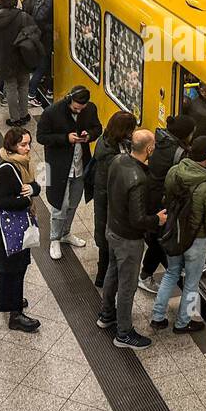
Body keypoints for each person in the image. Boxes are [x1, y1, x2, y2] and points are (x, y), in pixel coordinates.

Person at [99, 128, 167, 350]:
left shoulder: (118, 161)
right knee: (127, 286)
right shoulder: (139, 179)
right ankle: (124, 333)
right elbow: (138, 219)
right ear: (148, 148)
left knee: (112, 271)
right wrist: (156, 220)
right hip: (129, 239)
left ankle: (106, 314)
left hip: (112, 228)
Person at [151, 134, 206, 333]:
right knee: (192, 282)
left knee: (171, 273)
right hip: (196, 240)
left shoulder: (174, 171)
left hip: (174, 232)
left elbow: (167, 196)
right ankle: (184, 322)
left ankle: (157, 316)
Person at [38, 85, 103, 261]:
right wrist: (65, 138)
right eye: (76, 108)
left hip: (80, 165)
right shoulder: (51, 112)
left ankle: (65, 233)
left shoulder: (89, 109)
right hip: (58, 166)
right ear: (69, 100)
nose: (79, 111)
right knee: (60, 204)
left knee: (73, 202)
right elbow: (41, 137)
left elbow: (98, 128)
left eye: (81, 108)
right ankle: (54, 238)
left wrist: (88, 135)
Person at [0, 126, 42, 333]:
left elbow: (33, 186)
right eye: (23, 145)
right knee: (14, 268)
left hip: (14, 226)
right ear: (12, 146)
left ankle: (9, 300)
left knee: (13, 267)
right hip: (10, 229)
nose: (28, 148)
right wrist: (24, 200)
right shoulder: (7, 169)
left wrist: (32, 190)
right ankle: (16, 315)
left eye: (29, 143)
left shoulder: (20, 165)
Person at [137, 114, 195, 294]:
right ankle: (145, 275)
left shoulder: (160, 140)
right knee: (159, 238)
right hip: (162, 200)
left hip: (151, 194)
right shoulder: (178, 152)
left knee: (158, 236)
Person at [86, 110, 136, 288]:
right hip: (109, 203)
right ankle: (103, 277)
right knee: (107, 243)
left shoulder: (105, 141)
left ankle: (102, 275)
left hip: (104, 200)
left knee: (104, 241)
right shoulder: (112, 157)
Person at [0, 0, 38, 126]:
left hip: (5, 59)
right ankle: (24, 114)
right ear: (16, 1)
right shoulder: (24, 17)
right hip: (23, 57)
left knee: (10, 87)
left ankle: (14, 118)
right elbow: (34, 36)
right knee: (24, 86)